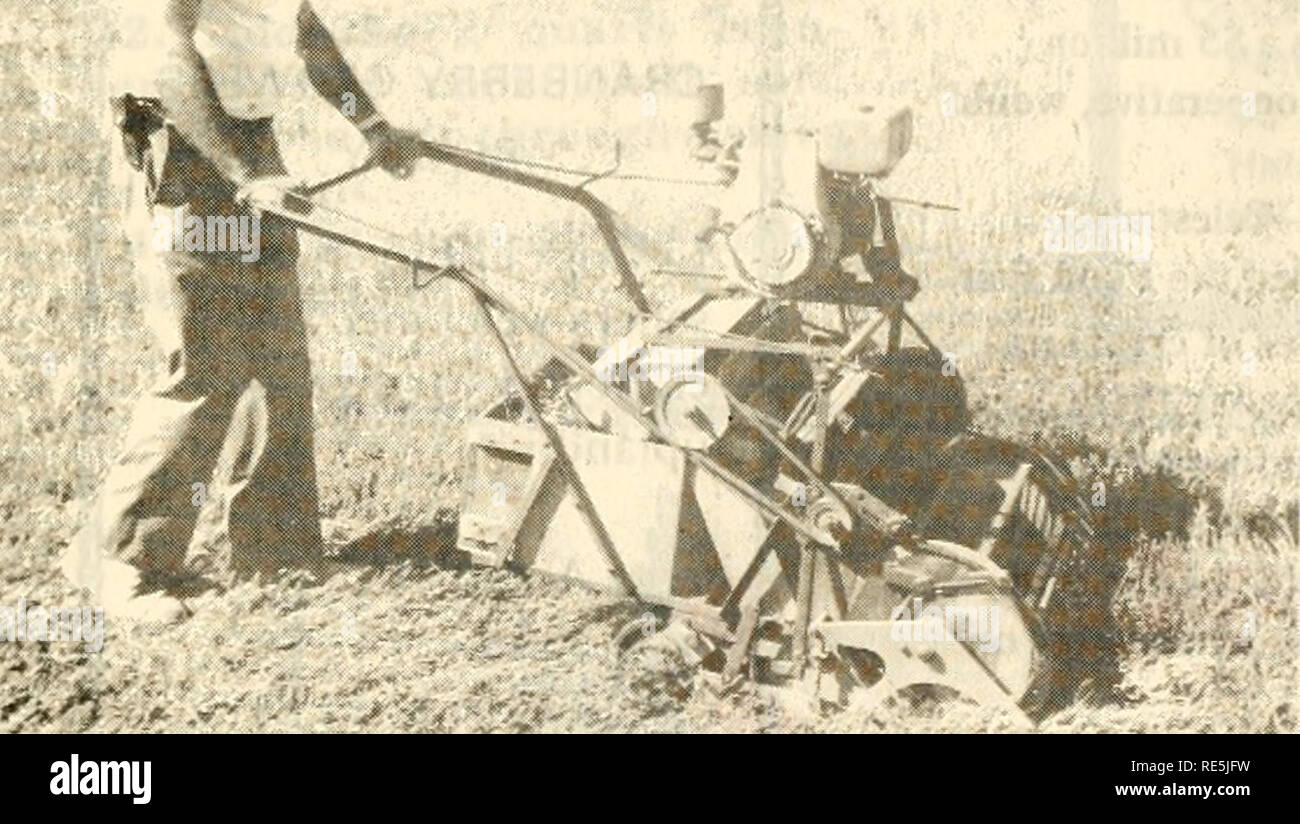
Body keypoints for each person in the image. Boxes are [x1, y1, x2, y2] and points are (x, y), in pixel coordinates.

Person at [63, 0, 420, 622]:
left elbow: (306, 32)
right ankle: (120, 557)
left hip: (246, 136)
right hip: (180, 136)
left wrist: (372, 126)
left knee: (276, 352)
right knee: (205, 361)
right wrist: (242, 173)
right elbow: (164, 49)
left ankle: (277, 547)